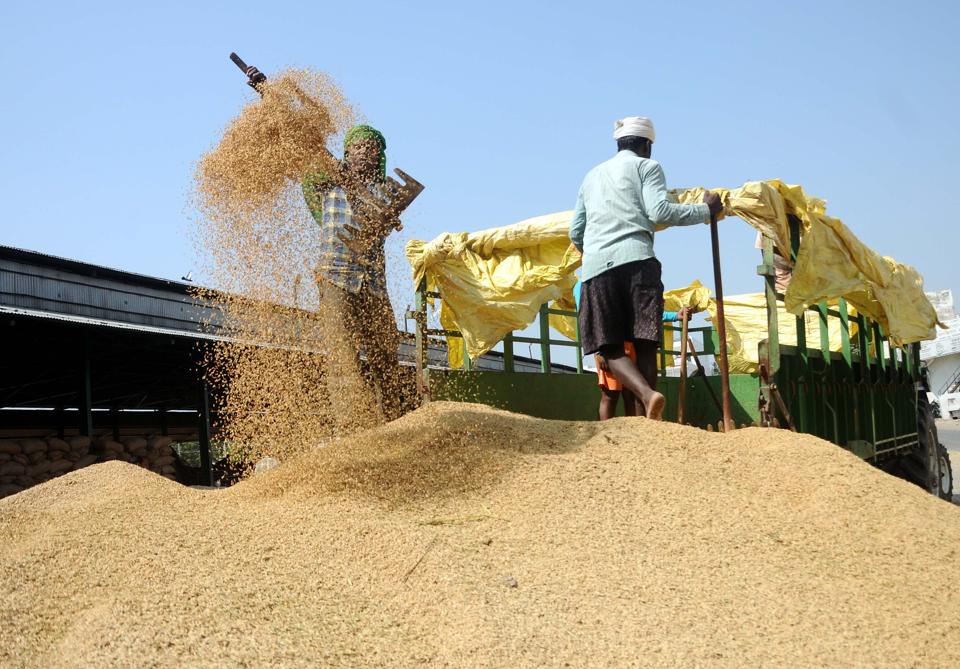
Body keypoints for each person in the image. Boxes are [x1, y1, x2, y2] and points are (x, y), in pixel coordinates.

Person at [569, 116, 723, 420]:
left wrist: (598, 252)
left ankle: (648, 399)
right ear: (646, 146)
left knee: (610, 347)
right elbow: (659, 211)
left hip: (598, 270)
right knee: (646, 344)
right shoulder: (647, 167)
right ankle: (649, 416)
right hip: (639, 263)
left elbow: (576, 231)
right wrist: (706, 211)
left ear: (619, 144)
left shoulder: (591, 176)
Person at [302, 125, 403, 430]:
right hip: (336, 276)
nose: (365, 153)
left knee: (385, 353)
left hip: (373, 283)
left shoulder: (385, 192)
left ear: (379, 156)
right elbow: (310, 169)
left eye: (372, 148)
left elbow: (385, 227)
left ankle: (393, 423)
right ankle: (352, 428)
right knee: (343, 354)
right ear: (347, 153)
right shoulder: (328, 183)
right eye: (358, 147)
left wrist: (389, 216)